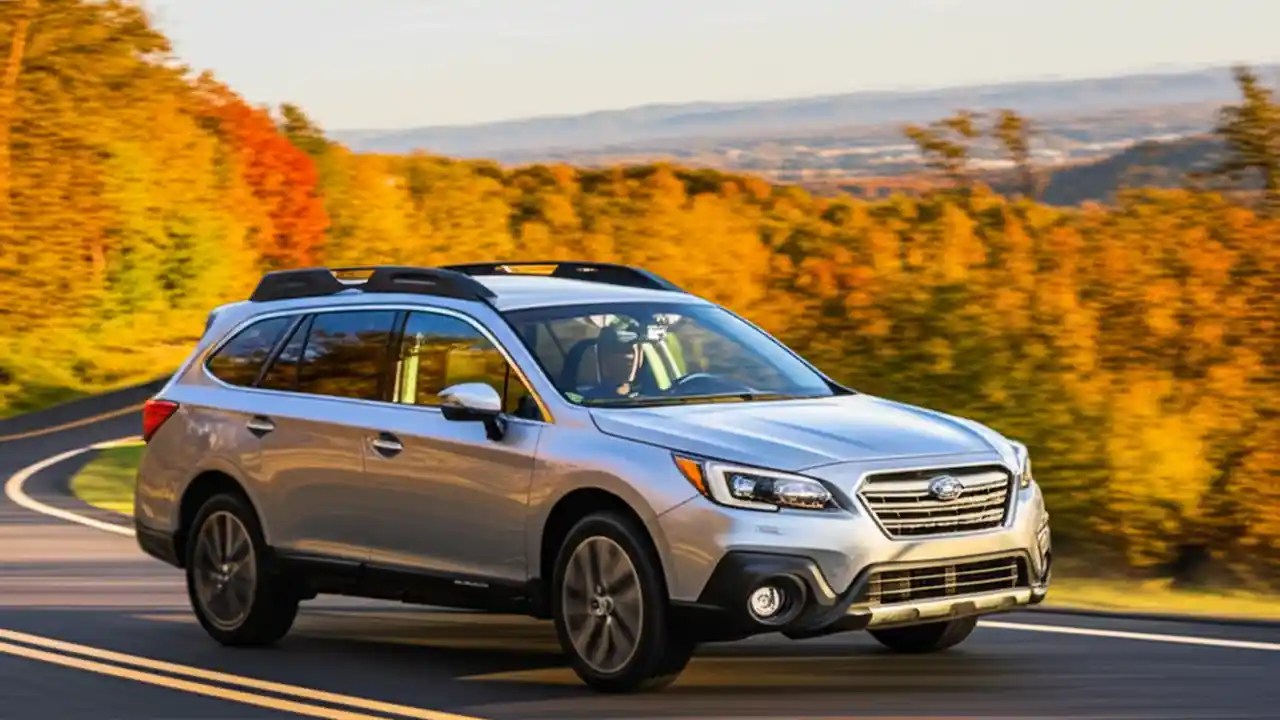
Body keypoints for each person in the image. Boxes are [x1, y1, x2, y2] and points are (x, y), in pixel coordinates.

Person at [582, 325, 644, 400]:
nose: (630, 358)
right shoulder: (590, 399)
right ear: (603, 359)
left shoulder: (650, 396)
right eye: (620, 352)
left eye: (631, 352)